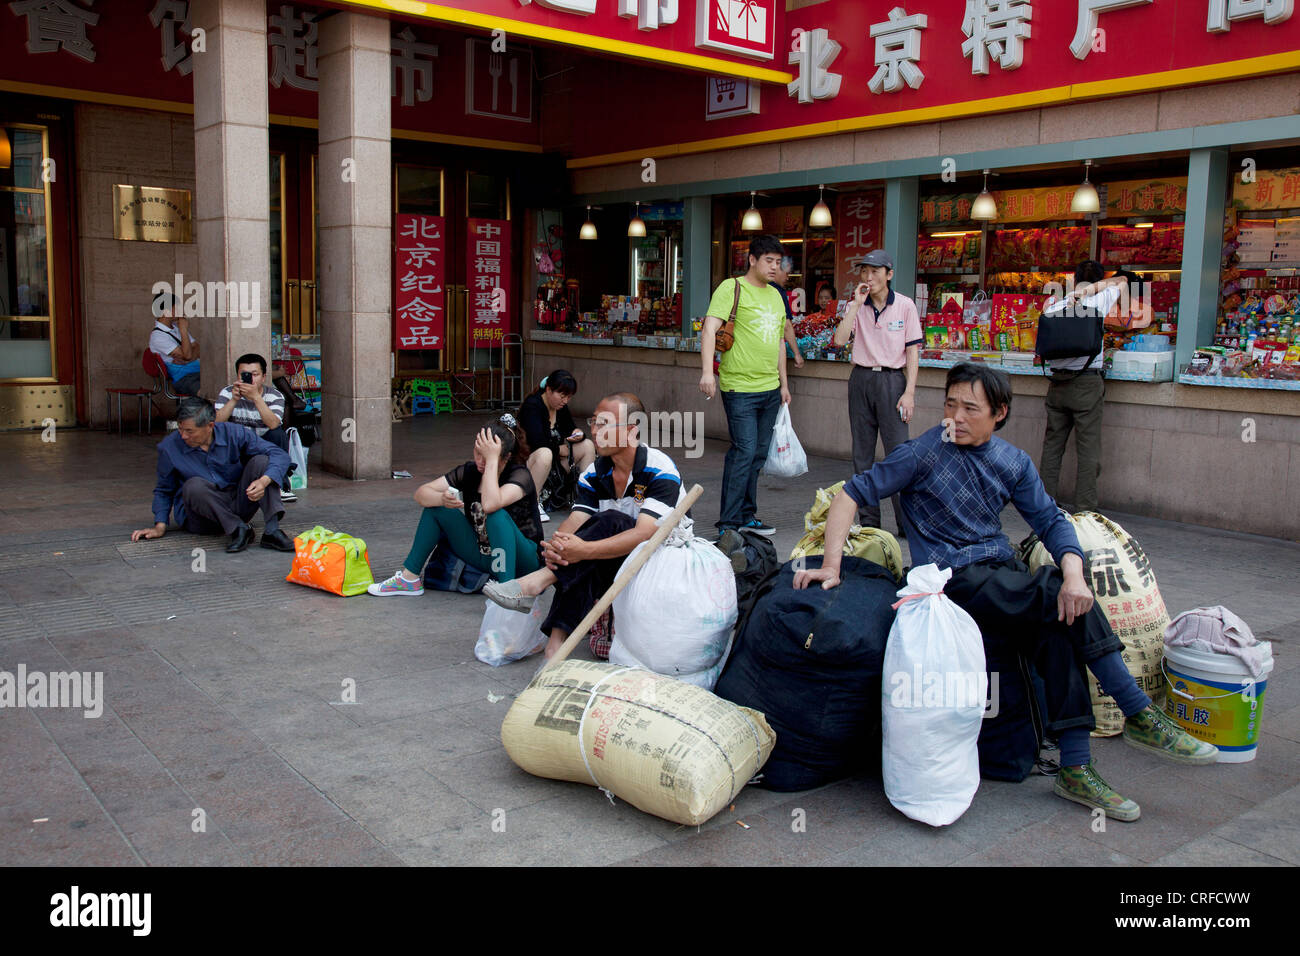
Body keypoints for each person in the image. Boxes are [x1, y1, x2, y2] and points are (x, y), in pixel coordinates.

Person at [793, 363, 1217, 822]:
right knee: (1052, 591)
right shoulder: (920, 453)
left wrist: (1076, 574)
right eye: (950, 404)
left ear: (1000, 413)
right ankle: (1137, 711)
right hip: (949, 581)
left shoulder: (1012, 462)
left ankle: (1076, 768)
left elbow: (1053, 522)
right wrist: (831, 566)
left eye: (970, 408)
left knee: (1061, 618)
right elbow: (850, 494)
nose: (955, 416)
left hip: (999, 575)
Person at [482, 392, 686, 660]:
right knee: (579, 549)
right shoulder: (595, 472)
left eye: (604, 424)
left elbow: (645, 534)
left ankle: (537, 583)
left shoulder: (659, 469)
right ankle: (554, 648)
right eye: (593, 422)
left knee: (611, 524)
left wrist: (581, 549)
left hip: (662, 562)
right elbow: (575, 521)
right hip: (616, 559)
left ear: (631, 430)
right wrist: (558, 546)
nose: (594, 431)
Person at [368, 417, 543, 596]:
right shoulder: (469, 471)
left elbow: (490, 504)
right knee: (436, 508)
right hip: (485, 555)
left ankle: (507, 592)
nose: (481, 461)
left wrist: (492, 462)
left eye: (488, 456)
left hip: (523, 561)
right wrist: (441, 499)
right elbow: (421, 494)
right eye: (477, 453)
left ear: (506, 457)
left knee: (496, 515)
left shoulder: (520, 475)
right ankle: (409, 579)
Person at [1039, 262, 1154, 513]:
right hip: (1086, 384)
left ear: (1074, 279)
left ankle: (1044, 503)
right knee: (1088, 449)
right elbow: (1122, 282)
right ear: (1100, 281)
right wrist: (1093, 290)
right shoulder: (1098, 301)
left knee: (1052, 446)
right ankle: (1085, 508)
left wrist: (1076, 293)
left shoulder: (1055, 304)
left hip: (1057, 384)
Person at [700, 234, 790, 540]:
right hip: (739, 387)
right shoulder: (731, 287)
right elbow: (710, 329)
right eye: (769, 261)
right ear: (752, 259)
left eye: (778, 262)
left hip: (770, 389)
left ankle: (747, 516)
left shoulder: (777, 296)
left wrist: (784, 385)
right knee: (744, 450)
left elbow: (779, 342)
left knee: (758, 455)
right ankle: (728, 523)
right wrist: (707, 373)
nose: (774, 267)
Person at [831, 249, 922, 537]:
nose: (869, 277)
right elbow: (840, 340)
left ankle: (906, 522)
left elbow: (912, 352)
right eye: (864, 272)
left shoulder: (905, 306)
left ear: (889, 274)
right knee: (862, 454)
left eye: (875, 271)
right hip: (860, 379)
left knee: (899, 454)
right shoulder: (856, 305)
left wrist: (909, 392)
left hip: (893, 381)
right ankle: (871, 522)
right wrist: (856, 306)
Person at [130, 397, 294, 553]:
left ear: (210, 426)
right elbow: (164, 489)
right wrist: (159, 526)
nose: (183, 435)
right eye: (180, 429)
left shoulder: (233, 433)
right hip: (201, 518)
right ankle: (238, 529)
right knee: (193, 486)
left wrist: (264, 481)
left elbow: (280, 455)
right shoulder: (169, 446)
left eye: (189, 431)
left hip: (237, 504)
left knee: (263, 462)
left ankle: (271, 531)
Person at [214, 353, 296, 502]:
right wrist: (234, 400)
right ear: (238, 376)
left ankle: (280, 484)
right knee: (220, 435)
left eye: (255, 374)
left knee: (278, 434)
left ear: (263, 377)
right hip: (238, 445)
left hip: (263, 443)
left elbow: (273, 423)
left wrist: (256, 398)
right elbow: (216, 423)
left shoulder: (275, 396)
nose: (250, 379)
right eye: (244, 374)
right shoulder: (227, 392)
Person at [517, 369, 595, 521]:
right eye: (562, 395)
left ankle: (586, 498)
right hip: (530, 464)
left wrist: (578, 434)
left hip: (554, 466)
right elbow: (537, 442)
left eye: (569, 397)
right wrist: (560, 449)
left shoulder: (560, 407)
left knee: (587, 445)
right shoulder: (532, 406)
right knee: (545, 453)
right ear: (548, 390)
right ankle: (532, 503)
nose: (565, 401)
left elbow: (570, 429)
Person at [148, 292, 201, 396]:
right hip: (184, 378)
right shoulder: (158, 336)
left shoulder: (176, 327)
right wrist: (183, 330)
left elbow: (197, 347)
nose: (180, 311)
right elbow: (188, 355)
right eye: (176, 307)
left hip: (198, 372)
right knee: (208, 392)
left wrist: (188, 360)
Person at [773, 255, 805, 370]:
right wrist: (797, 353)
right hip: (772, 353)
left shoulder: (760, 287)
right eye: (786, 273)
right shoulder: (778, 291)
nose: (787, 278)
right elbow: (786, 325)